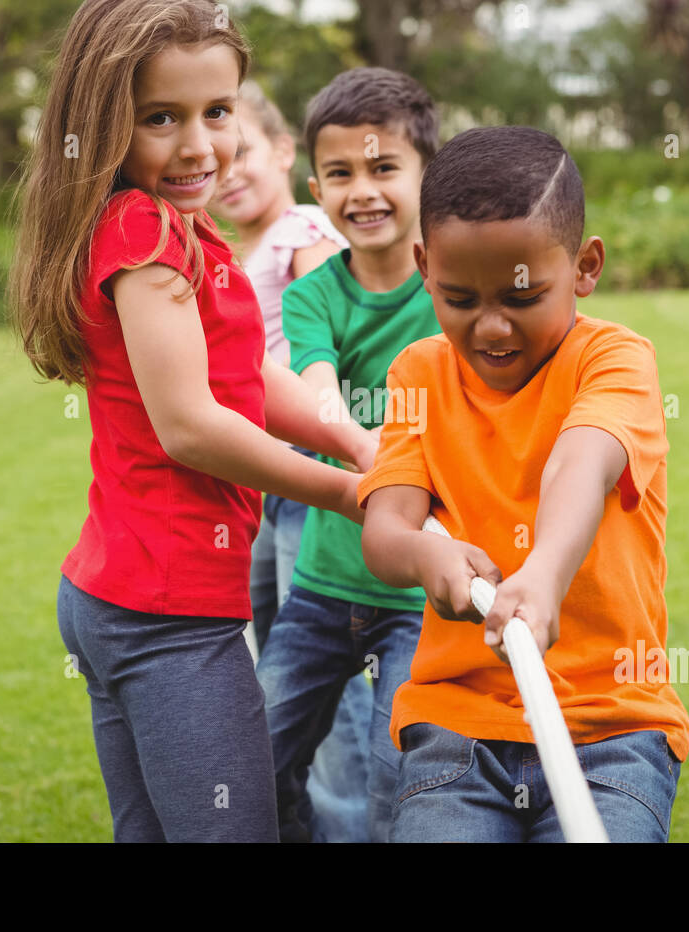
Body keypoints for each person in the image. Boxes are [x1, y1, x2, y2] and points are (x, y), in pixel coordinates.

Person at [7, 0, 377, 843]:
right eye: (161, 117)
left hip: (120, 594)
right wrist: (347, 495)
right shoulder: (148, 236)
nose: (200, 144)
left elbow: (242, 375)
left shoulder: (180, 224)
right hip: (167, 616)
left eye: (218, 111)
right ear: (104, 122)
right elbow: (191, 426)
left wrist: (349, 439)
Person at [358, 125, 689, 842]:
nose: (492, 327)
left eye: (523, 296)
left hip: (611, 730)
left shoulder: (614, 359)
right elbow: (386, 530)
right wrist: (427, 557)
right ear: (423, 266)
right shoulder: (417, 373)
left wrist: (541, 578)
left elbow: (582, 461)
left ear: (585, 266)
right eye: (459, 298)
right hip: (457, 729)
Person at [255, 67, 442, 842]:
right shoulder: (314, 293)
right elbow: (317, 389)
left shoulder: (452, 293)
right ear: (315, 188)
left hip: (417, 601)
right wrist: (371, 453)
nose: (362, 190)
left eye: (384, 168)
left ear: (427, 176)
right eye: (340, 174)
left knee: (394, 783)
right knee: (254, 760)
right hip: (323, 588)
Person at [208, 81, 374, 841]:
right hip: (272, 482)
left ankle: (347, 820)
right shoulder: (241, 251)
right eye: (221, 160)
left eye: (244, 152)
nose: (230, 170)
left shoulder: (300, 230)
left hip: (310, 473)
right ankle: (297, 814)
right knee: (281, 661)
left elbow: (324, 336)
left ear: (282, 152)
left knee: (322, 665)